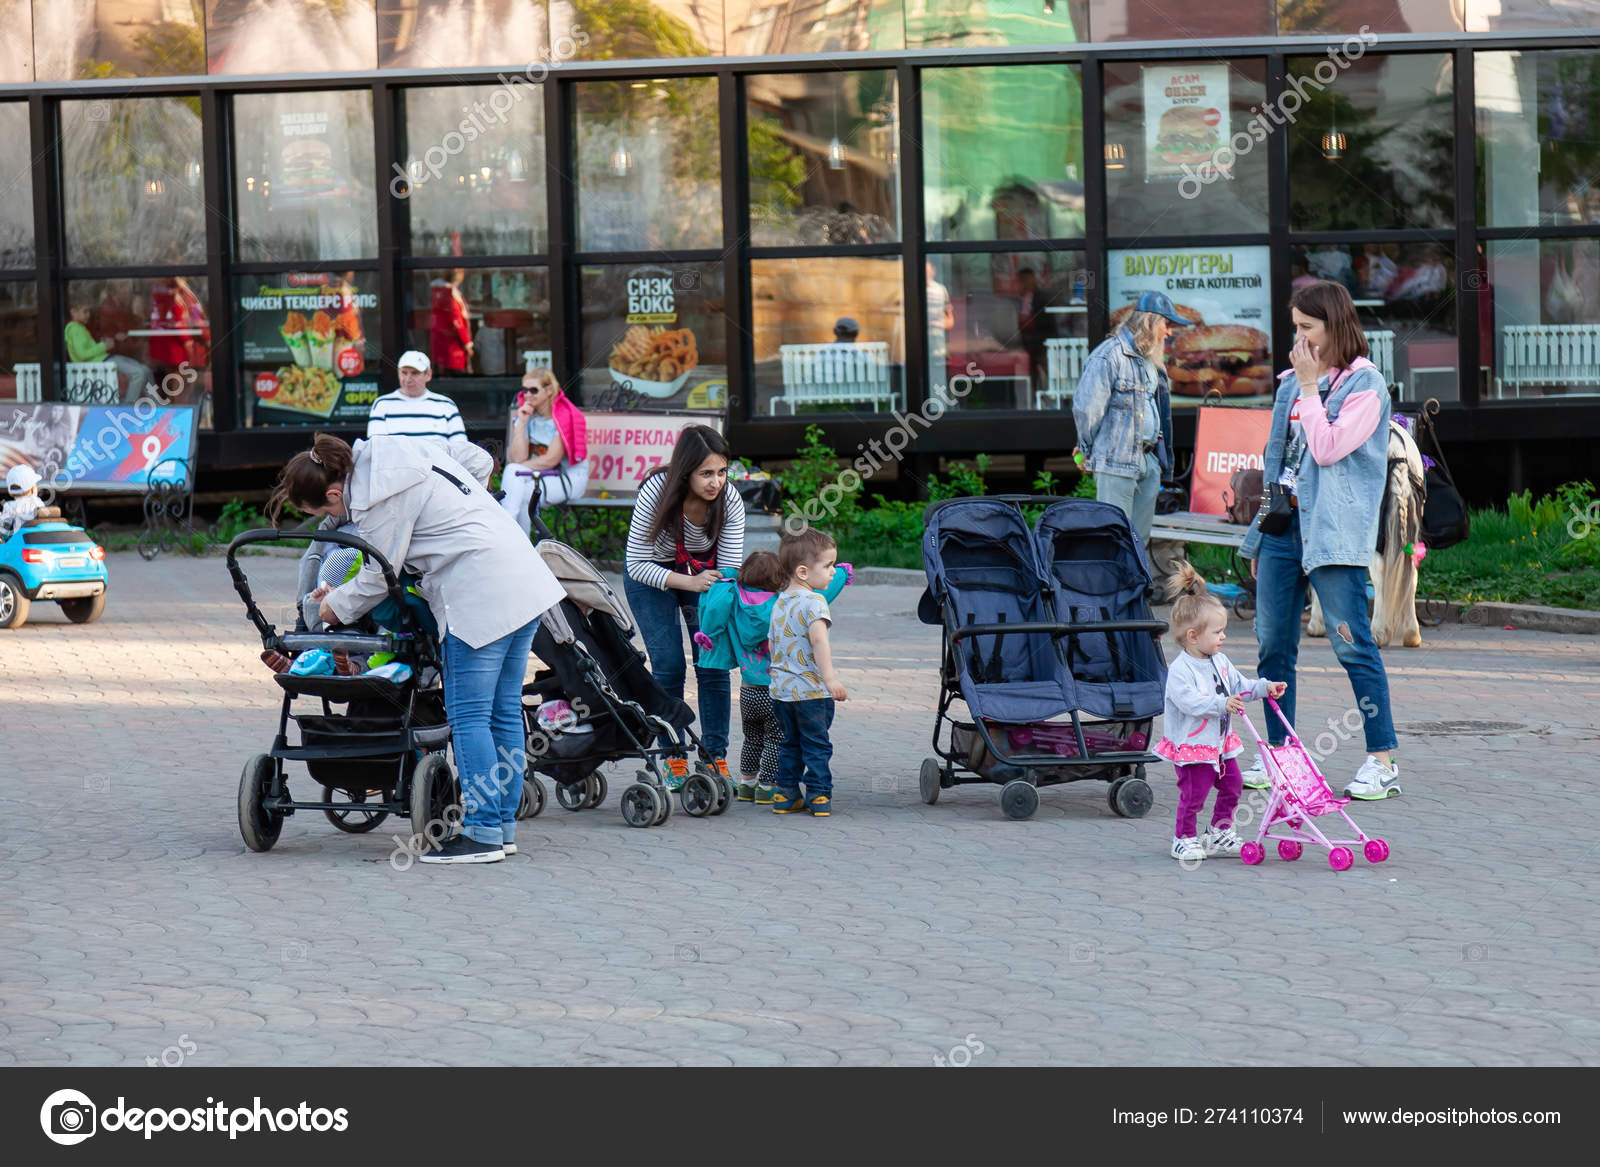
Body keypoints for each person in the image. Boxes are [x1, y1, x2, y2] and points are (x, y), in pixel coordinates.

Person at [270, 431, 564, 865]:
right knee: (502, 711)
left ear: (335, 492)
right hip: (521, 572)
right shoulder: (395, 447)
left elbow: (377, 575)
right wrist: (460, 512)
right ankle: (501, 828)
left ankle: (482, 834)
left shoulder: (373, 501)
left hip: (477, 592)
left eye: (326, 509)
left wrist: (330, 607)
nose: (337, 515)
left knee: (469, 717)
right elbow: (480, 461)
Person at [1239, 280, 1401, 801]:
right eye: (1295, 329)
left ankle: (1382, 760)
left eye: (1308, 328)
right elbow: (1276, 462)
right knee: (1272, 648)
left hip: (1333, 534)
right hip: (1284, 531)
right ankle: (1283, 755)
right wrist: (1261, 538)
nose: (1300, 339)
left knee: (1352, 646)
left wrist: (1311, 389)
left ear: (1336, 325)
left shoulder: (1367, 387)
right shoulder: (1290, 384)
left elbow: (1328, 448)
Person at [623, 425, 746, 788]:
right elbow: (636, 564)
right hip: (652, 577)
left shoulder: (730, 501)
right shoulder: (656, 492)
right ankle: (671, 755)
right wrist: (688, 582)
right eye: (706, 473)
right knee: (669, 665)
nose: (716, 482)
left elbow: (728, 570)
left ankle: (714, 757)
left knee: (712, 663)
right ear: (685, 472)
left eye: (722, 472)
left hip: (703, 576)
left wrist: (714, 594)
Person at [692, 549, 852, 805]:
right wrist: (842, 573)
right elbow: (820, 593)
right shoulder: (783, 603)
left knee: (752, 739)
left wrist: (730, 573)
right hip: (777, 690)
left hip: (747, 691)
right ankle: (767, 786)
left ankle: (746, 784)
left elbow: (719, 607)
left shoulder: (735, 603)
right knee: (776, 740)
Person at [1155, 564, 1286, 862]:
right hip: (1193, 745)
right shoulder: (1180, 670)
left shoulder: (1220, 660)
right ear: (1192, 636)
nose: (1223, 637)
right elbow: (1190, 703)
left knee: (1233, 784)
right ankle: (1183, 837)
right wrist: (1220, 704)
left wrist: (1265, 688)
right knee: (1195, 793)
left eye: (1223, 630)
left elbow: (1240, 686)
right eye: (1217, 632)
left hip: (1220, 744)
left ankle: (1218, 831)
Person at [1071, 290, 1185, 547]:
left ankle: (1134, 588)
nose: (1170, 332)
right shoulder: (1109, 355)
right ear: (1151, 322)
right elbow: (1087, 408)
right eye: (1167, 324)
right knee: (1114, 543)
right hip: (1116, 463)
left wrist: (1158, 461)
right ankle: (1112, 588)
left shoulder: (1152, 360)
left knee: (1138, 544)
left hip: (1149, 460)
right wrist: (1086, 450)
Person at [768, 528, 848, 817]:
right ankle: (819, 795)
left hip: (781, 692)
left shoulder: (779, 602)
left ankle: (785, 795)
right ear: (803, 571)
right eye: (828, 566)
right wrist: (831, 680)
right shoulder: (815, 602)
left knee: (789, 743)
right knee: (816, 744)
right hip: (811, 691)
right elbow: (819, 641)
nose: (833, 572)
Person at [500, 368, 590, 537]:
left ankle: (506, 532)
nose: (527, 395)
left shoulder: (563, 416)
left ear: (549, 391)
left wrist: (517, 470)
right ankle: (522, 547)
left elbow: (550, 460)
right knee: (523, 495)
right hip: (543, 476)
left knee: (514, 475)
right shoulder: (527, 415)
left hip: (569, 478)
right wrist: (522, 424)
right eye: (524, 390)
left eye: (533, 390)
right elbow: (518, 457)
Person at [366, 352, 467, 448]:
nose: (408, 379)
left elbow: (460, 448)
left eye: (415, 373)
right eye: (404, 373)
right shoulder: (382, 404)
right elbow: (377, 448)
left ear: (428, 375)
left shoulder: (447, 405)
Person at [63, 305, 154, 403]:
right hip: (101, 361)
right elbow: (82, 354)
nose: (88, 315)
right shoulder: (74, 329)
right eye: (85, 312)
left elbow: (89, 349)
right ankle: (129, 406)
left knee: (146, 370)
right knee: (138, 373)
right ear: (73, 312)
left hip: (105, 359)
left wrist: (107, 342)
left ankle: (155, 404)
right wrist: (103, 346)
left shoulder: (80, 328)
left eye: (88, 312)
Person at [1016, 267, 1055, 396]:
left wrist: (1030, 321)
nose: (1023, 283)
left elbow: (1049, 322)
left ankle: (1046, 395)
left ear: (1032, 279)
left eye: (1025, 280)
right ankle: (1032, 395)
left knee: (1043, 370)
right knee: (1029, 371)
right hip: (1026, 340)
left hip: (1040, 340)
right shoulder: (1019, 298)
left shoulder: (1041, 297)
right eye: (1021, 280)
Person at [430, 268, 474, 374]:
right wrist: (467, 344)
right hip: (453, 344)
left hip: (443, 340)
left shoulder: (439, 292)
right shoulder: (449, 294)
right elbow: (457, 321)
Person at [926, 260, 953, 391]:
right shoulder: (910, 288)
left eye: (928, 269)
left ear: (933, 271)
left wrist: (937, 324)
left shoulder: (940, 290)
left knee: (937, 378)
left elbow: (950, 321)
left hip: (937, 342)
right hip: (919, 342)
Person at [1, 464, 43, 540]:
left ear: (10, 491)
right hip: (39, 538)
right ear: (33, 488)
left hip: (18, 542)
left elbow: (4, 533)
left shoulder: (9, 506)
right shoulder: (39, 503)